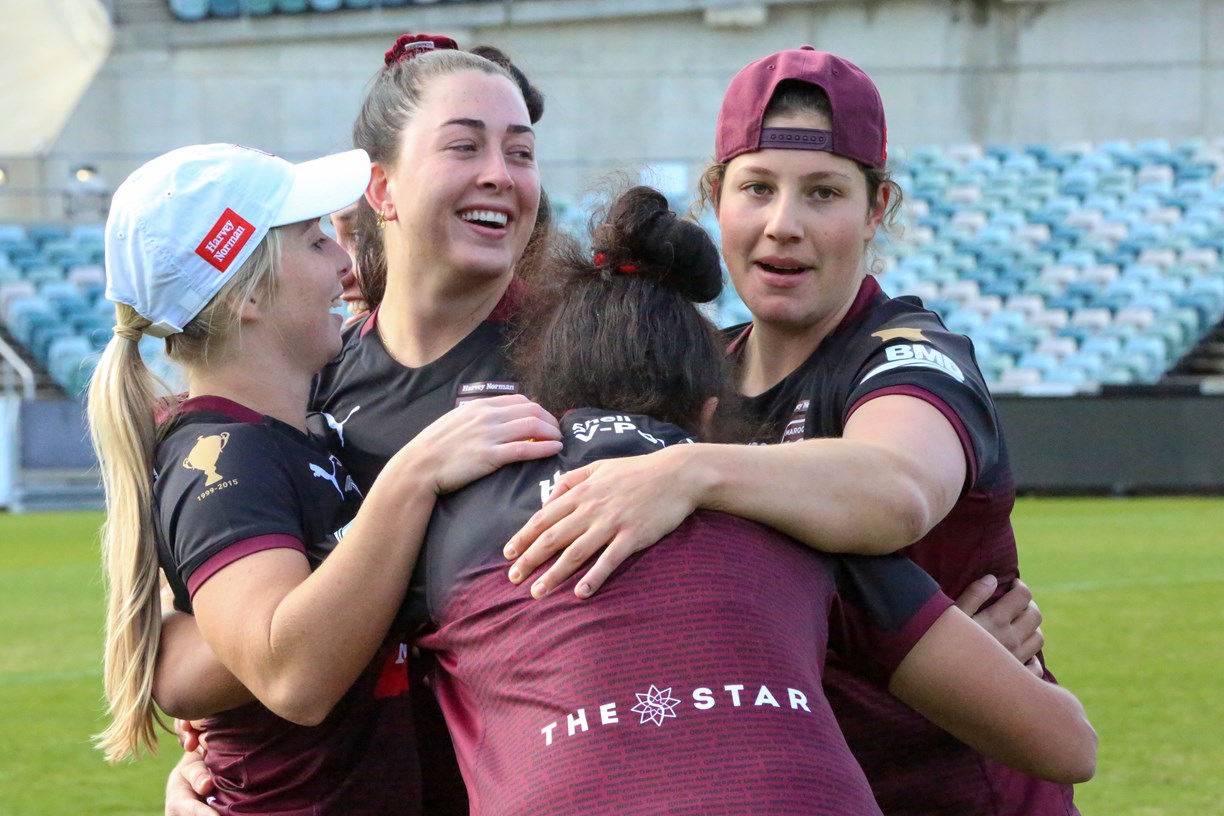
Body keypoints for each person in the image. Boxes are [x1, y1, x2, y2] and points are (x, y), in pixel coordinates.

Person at [502, 48, 1076, 815]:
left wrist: (692, 472)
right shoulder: (697, 372)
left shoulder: (907, 353)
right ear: (715, 198)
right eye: (758, 188)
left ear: (877, 210)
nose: (784, 226)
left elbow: (897, 489)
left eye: (823, 193)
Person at [89, 142, 560, 814]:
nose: (344, 262)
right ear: (248, 294)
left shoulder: (298, 432)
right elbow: (292, 677)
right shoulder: (223, 457)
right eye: (314, 242)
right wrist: (414, 476)